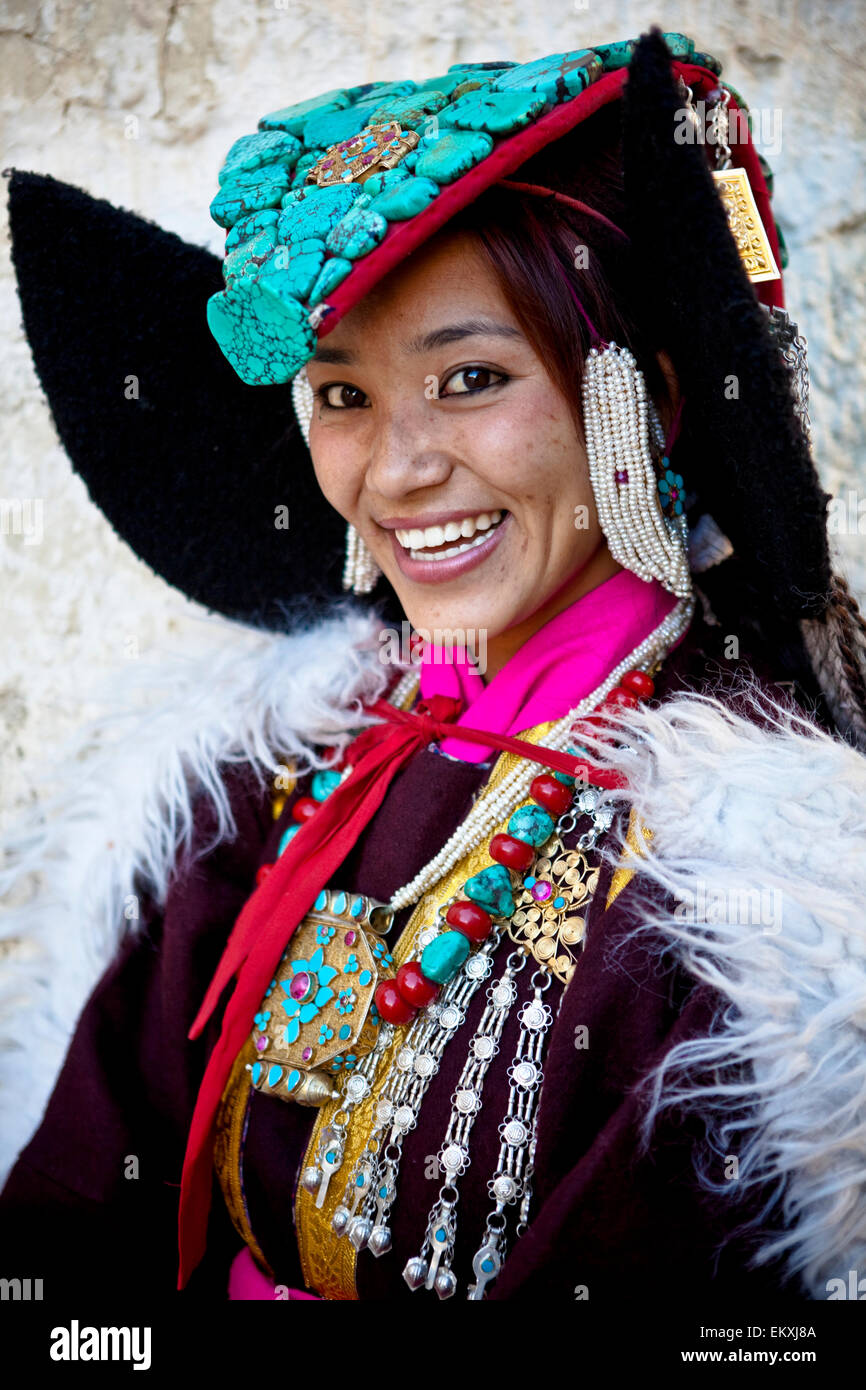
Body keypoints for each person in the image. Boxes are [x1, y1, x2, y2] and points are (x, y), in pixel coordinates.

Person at [2, 28, 865, 1305]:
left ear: (648, 400)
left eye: (468, 379)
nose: (395, 470)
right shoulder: (285, 777)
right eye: (340, 395)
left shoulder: (741, 905)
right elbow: (75, 1217)